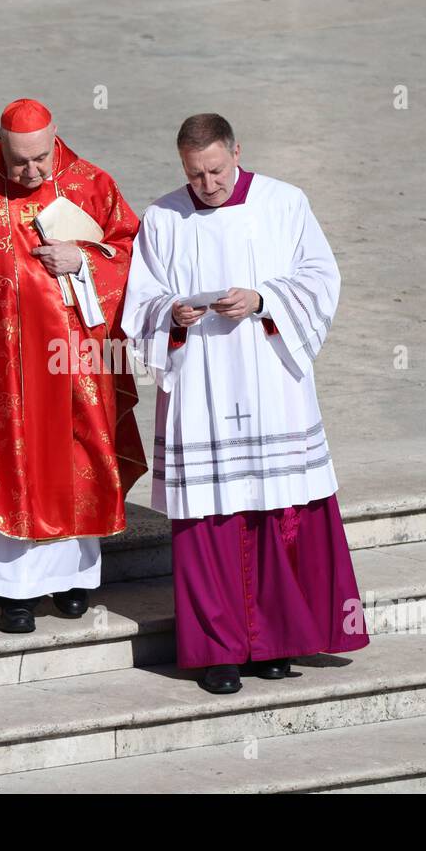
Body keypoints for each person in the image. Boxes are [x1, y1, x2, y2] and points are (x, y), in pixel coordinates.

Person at [120, 113, 370, 694]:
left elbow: (321, 278)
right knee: (212, 522)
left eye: (215, 170)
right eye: (194, 173)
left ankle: (277, 641)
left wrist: (262, 298)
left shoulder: (284, 203)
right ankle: (220, 653)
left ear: (237, 151)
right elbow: (142, 299)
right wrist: (172, 314)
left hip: (268, 379)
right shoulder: (162, 217)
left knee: (276, 510)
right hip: (202, 385)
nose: (206, 184)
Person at [0, 98, 147, 633]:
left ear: (55, 138)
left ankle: (71, 579)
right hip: (0, 367)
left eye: (40, 159)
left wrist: (83, 259)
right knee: (7, 461)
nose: (31, 171)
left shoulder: (89, 182)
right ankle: (11, 589)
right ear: (0, 142)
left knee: (74, 458)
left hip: (76, 364)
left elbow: (131, 249)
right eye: (20, 162)